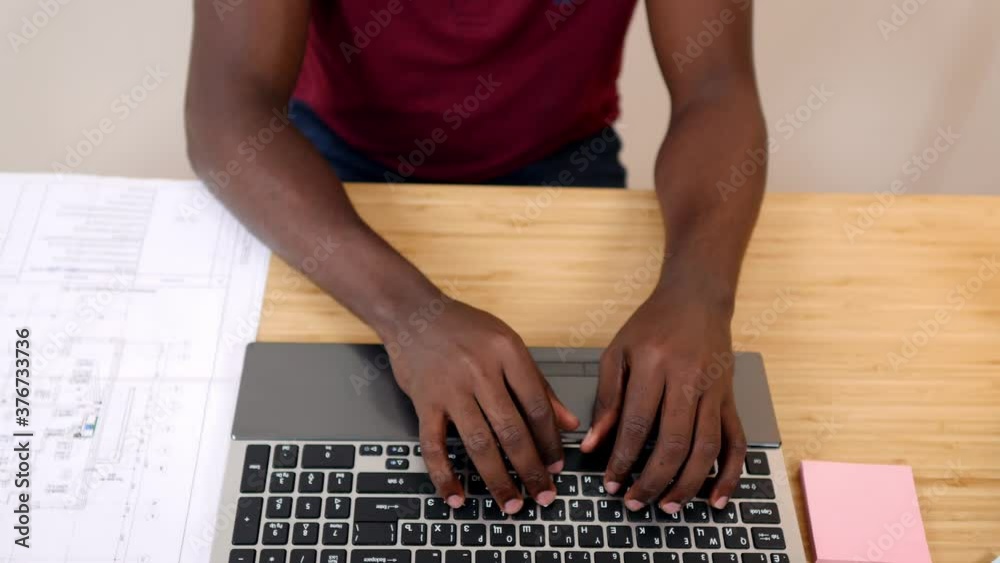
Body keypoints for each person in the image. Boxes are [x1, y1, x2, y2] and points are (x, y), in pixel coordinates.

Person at [185, 0, 766, 516]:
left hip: (564, 162)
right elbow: (230, 110)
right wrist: (407, 313)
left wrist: (699, 292)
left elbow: (715, 88)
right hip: (333, 170)